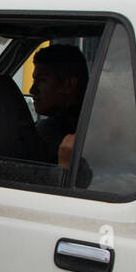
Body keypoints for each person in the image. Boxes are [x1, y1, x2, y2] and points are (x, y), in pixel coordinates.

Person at [29, 43, 92, 186]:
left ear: (68, 85)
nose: (32, 89)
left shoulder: (48, 132)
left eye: (41, 80)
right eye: (34, 80)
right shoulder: (94, 122)